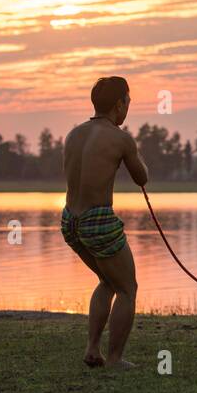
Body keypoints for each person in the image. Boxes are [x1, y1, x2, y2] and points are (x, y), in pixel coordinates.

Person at [60, 76, 148, 369]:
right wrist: (133, 154)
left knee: (107, 281)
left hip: (70, 221)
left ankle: (92, 350)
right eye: (129, 101)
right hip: (98, 220)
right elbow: (141, 177)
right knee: (127, 288)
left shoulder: (74, 134)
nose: (128, 108)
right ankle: (115, 359)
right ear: (119, 104)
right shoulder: (120, 138)